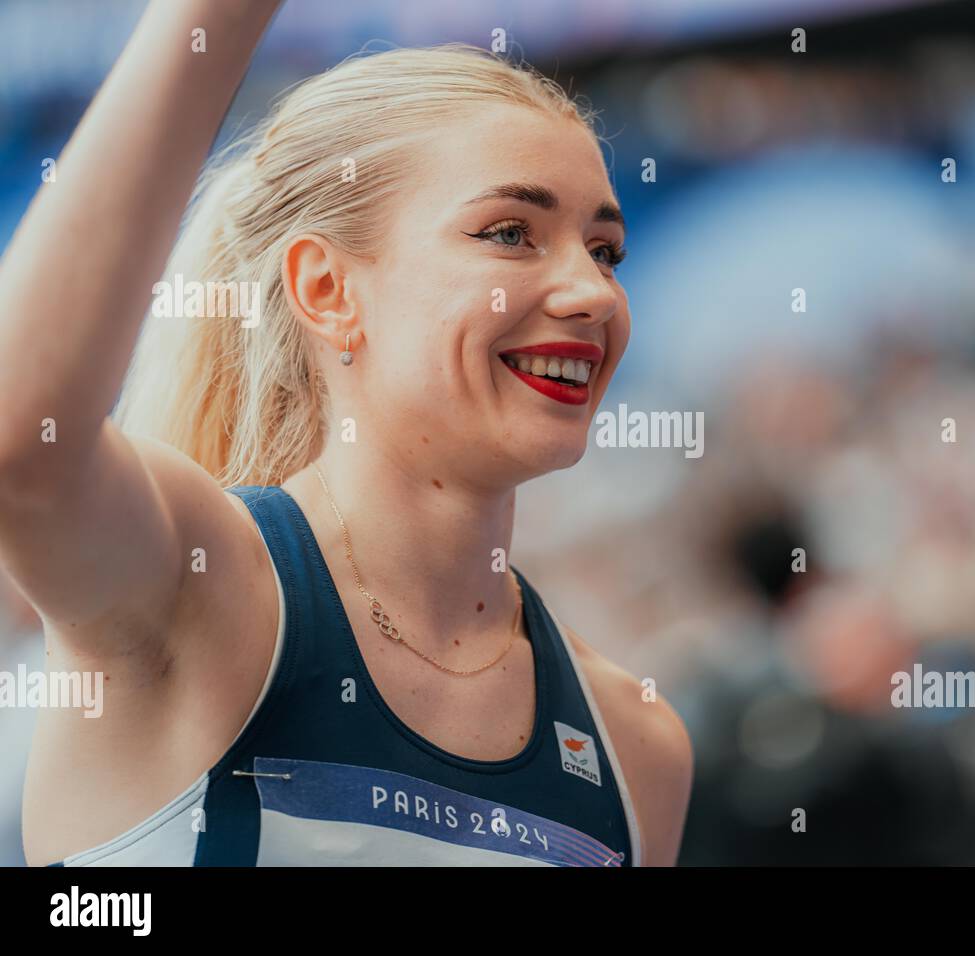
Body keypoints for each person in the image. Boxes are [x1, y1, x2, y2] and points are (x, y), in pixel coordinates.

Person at [0, 0, 691, 866]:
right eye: (511, 233)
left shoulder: (637, 743)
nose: (592, 292)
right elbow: (22, 444)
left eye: (605, 250)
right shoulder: (196, 585)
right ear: (326, 290)